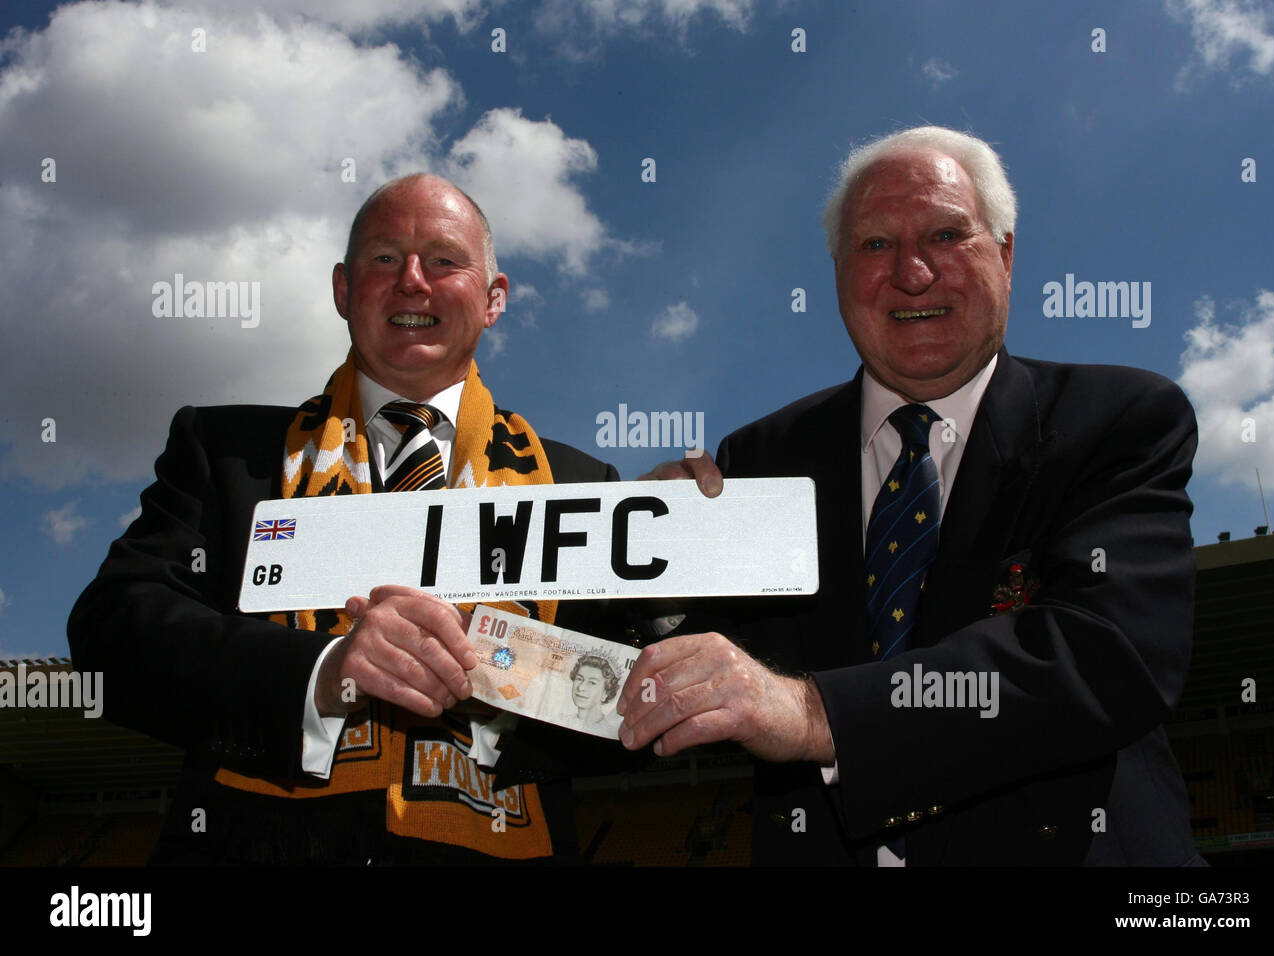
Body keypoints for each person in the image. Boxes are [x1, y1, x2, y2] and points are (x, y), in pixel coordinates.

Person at [620, 126, 1203, 866]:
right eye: (873, 246)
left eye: (947, 234)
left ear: (1007, 254)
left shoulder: (1119, 420)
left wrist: (814, 714)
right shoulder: (759, 461)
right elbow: (666, 673)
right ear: (836, 273)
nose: (913, 272)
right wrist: (640, 562)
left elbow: (1103, 657)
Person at [68, 174, 641, 864]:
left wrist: (676, 551)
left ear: (494, 300)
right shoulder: (228, 454)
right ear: (344, 290)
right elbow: (111, 630)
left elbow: (626, 713)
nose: (412, 281)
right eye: (384, 258)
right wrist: (327, 670)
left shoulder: (584, 485)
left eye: (444, 259)